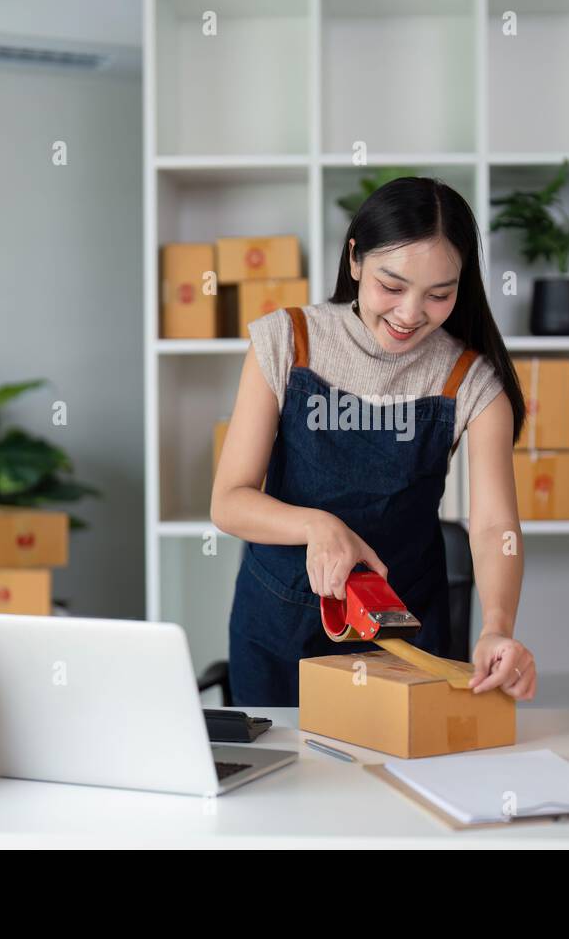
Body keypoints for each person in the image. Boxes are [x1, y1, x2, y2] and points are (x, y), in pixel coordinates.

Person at [211, 176, 535, 706]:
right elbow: (229, 502)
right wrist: (318, 525)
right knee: (282, 782)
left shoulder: (469, 379)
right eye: (392, 285)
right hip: (277, 624)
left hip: (401, 632)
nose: (410, 314)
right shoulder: (285, 340)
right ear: (355, 259)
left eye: (439, 294)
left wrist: (496, 625)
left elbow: (496, 525)